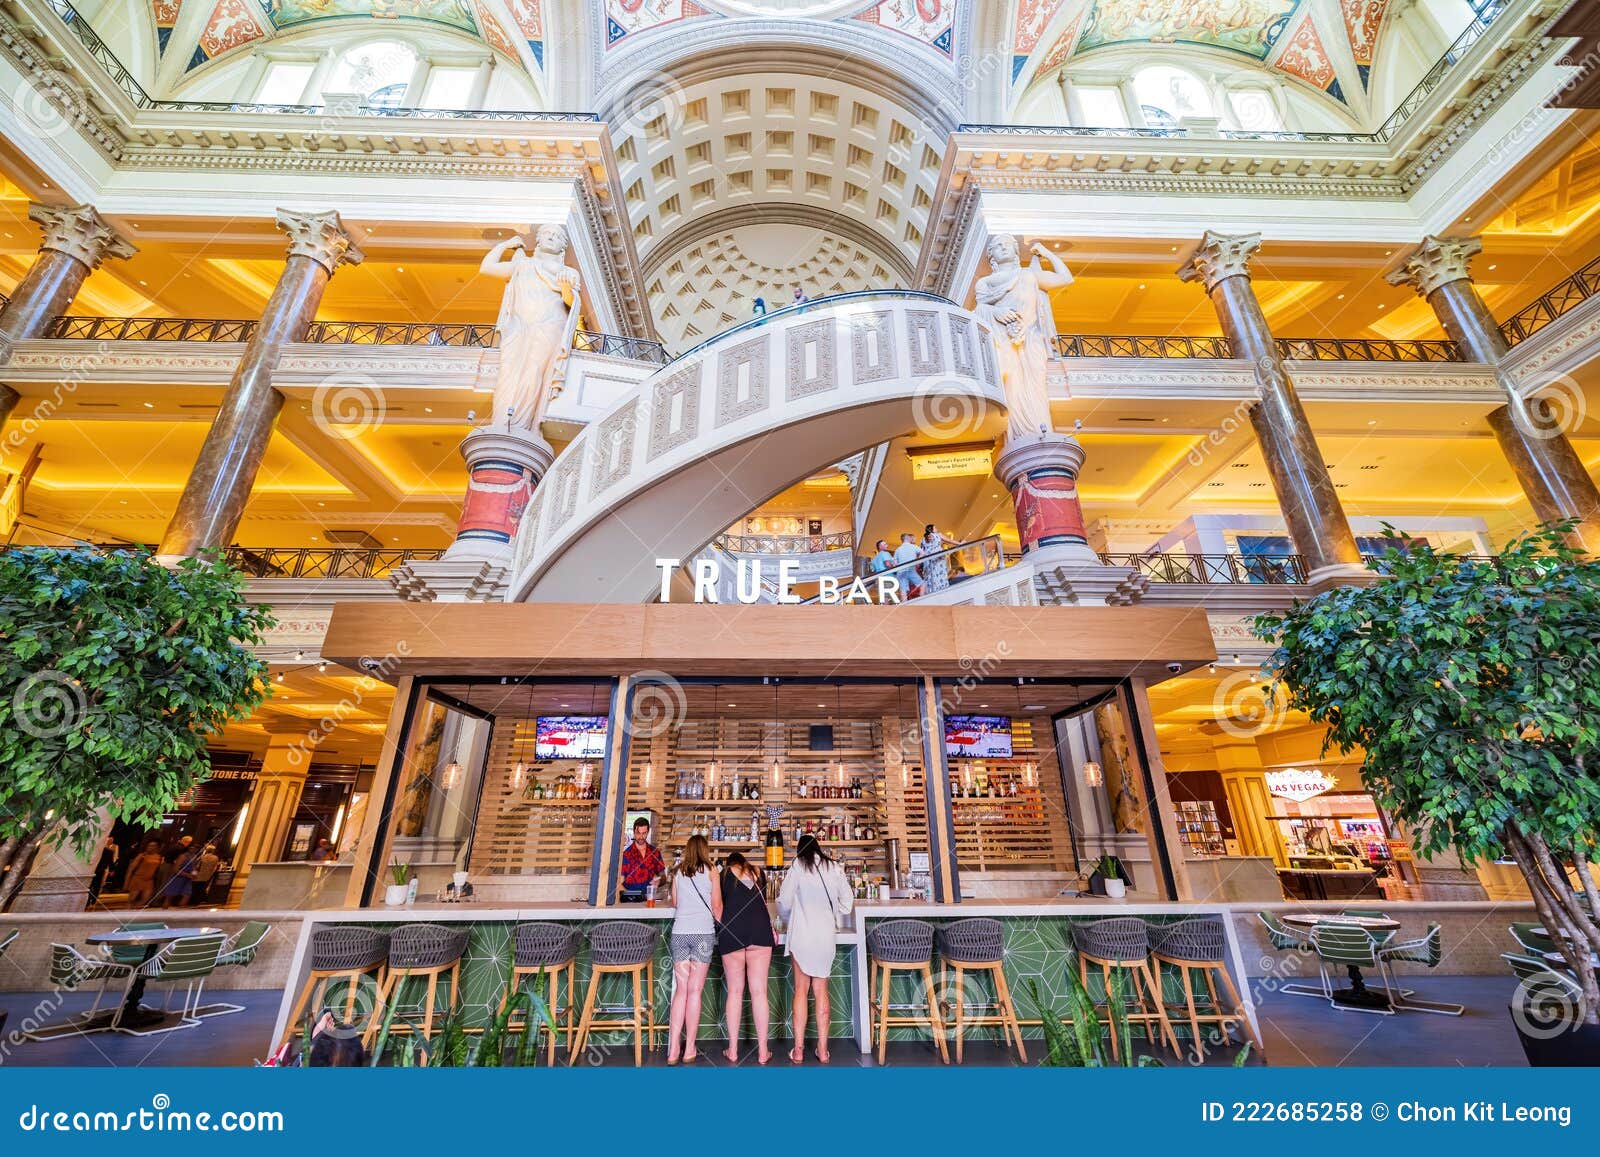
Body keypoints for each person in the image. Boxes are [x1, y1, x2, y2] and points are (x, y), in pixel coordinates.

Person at [478, 223, 581, 433]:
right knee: (508, 371)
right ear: (539, 240)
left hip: (550, 325)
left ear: (563, 246)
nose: (551, 236)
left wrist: (565, 287)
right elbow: (486, 267)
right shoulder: (522, 264)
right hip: (518, 325)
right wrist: (505, 245)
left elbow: (571, 304)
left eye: (557, 235)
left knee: (534, 370)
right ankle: (501, 421)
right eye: (547, 233)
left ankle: (521, 425)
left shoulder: (568, 272)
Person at [972, 234, 1073, 444]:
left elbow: (1065, 278)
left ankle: (1040, 431)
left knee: (1036, 387)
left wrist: (1046, 253)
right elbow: (978, 312)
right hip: (1005, 340)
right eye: (998, 246)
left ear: (1016, 252)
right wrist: (995, 313)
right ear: (991, 256)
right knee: (1013, 387)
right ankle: (1019, 437)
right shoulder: (985, 283)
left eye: (1007, 245)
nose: (1003, 248)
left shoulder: (1029, 274)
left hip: (1031, 338)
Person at [777, 833, 853, 1064]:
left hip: (801, 936)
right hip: (824, 938)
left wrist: (789, 917)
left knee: (801, 990)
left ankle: (798, 1050)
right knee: (821, 991)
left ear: (800, 850)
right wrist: (831, 915)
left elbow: (783, 902)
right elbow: (847, 903)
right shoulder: (834, 867)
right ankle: (822, 1050)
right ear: (819, 848)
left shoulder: (797, 866)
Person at [666, 834, 721, 1064]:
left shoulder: (678, 872)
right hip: (702, 935)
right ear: (705, 850)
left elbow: (675, 903)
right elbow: (717, 907)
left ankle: (672, 1051)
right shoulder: (712, 871)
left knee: (681, 991)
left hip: (680, 933)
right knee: (695, 992)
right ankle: (689, 1049)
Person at [717, 851, 776, 1064]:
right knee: (759, 992)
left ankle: (732, 1050)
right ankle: (763, 1053)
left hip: (731, 932)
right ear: (744, 862)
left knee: (734, 991)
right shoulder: (758, 872)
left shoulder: (723, 874)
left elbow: (718, 905)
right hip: (759, 932)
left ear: (729, 863)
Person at [618, 816, 665, 901]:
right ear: (634, 832)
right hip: (630, 903)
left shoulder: (655, 852)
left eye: (644, 833)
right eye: (638, 833)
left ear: (648, 832)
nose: (641, 837)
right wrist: (631, 897)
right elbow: (619, 884)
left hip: (649, 900)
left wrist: (659, 881)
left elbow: (663, 877)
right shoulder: (625, 855)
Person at [123, 838, 164, 908]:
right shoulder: (142, 856)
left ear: (157, 847)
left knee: (146, 898)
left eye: (153, 846)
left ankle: (135, 908)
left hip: (149, 881)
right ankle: (128, 912)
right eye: (149, 846)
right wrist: (126, 882)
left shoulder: (159, 857)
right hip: (138, 879)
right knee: (132, 899)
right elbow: (131, 869)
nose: (151, 847)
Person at [892, 532, 924, 599]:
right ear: (907, 538)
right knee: (922, 584)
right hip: (910, 569)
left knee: (903, 591)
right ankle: (922, 600)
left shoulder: (898, 549)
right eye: (909, 537)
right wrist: (918, 562)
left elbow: (894, 564)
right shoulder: (913, 547)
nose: (911, 538)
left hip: (901, 571)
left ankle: (905, 606)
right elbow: (922, 553)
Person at [921, 523, 950, 594]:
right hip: (938, 557)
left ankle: (932, 591)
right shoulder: (938, 535)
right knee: (940, 574)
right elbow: (949, 541)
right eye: (935, 528)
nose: (936, 529)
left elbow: (921, 551)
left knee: (931, 576)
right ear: (932, 529)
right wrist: (960, 544)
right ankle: (943, 590)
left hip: (927, 560)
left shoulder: (923, 539)